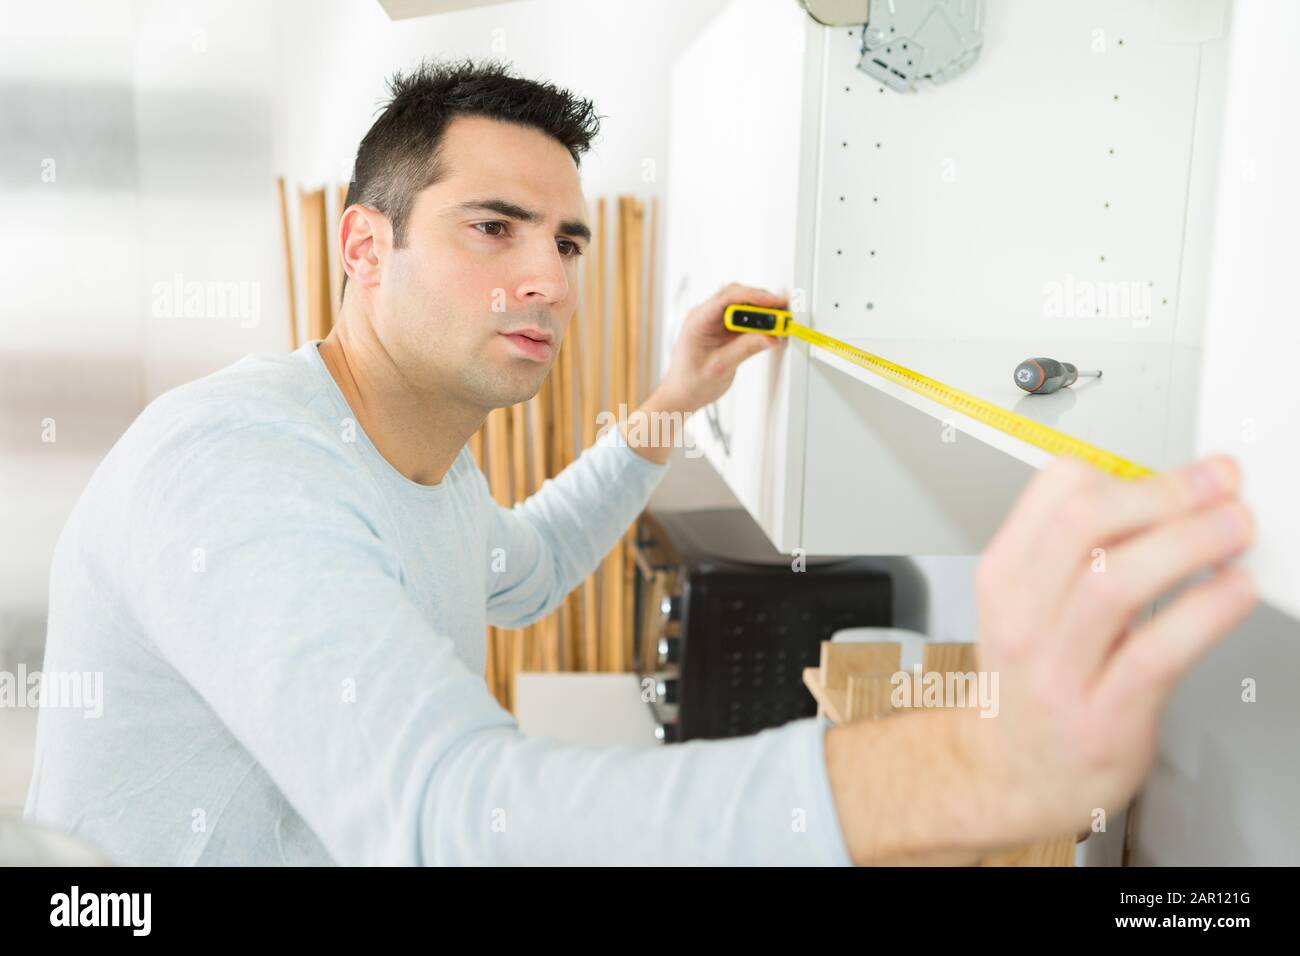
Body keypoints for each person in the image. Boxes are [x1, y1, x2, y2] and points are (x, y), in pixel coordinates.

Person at [24, 58, 1256, 865]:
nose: (550, 278)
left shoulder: (419, 460)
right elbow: (447, 815)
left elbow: (524, 564)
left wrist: (675, 398)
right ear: (362, 244)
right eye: (490, 227)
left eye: (565, 239)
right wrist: (970, 765)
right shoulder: (236, 470)